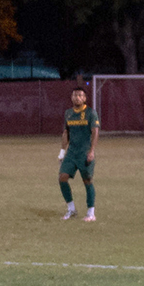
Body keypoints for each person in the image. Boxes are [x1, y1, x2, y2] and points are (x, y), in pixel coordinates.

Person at [59, 84, 98, 221]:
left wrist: (92, 151)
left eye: (80, 95)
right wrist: (62, 152)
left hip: (85, 152)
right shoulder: (68, 113)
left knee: (87, 180)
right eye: (75, 95)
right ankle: (71, 209)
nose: (77, 98)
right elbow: (66, 132)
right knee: (62, 177)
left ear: (85, 98)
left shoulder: (90, 113)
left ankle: (91, 213)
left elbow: (95, 132)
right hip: (71, 153)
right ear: (71, 97)